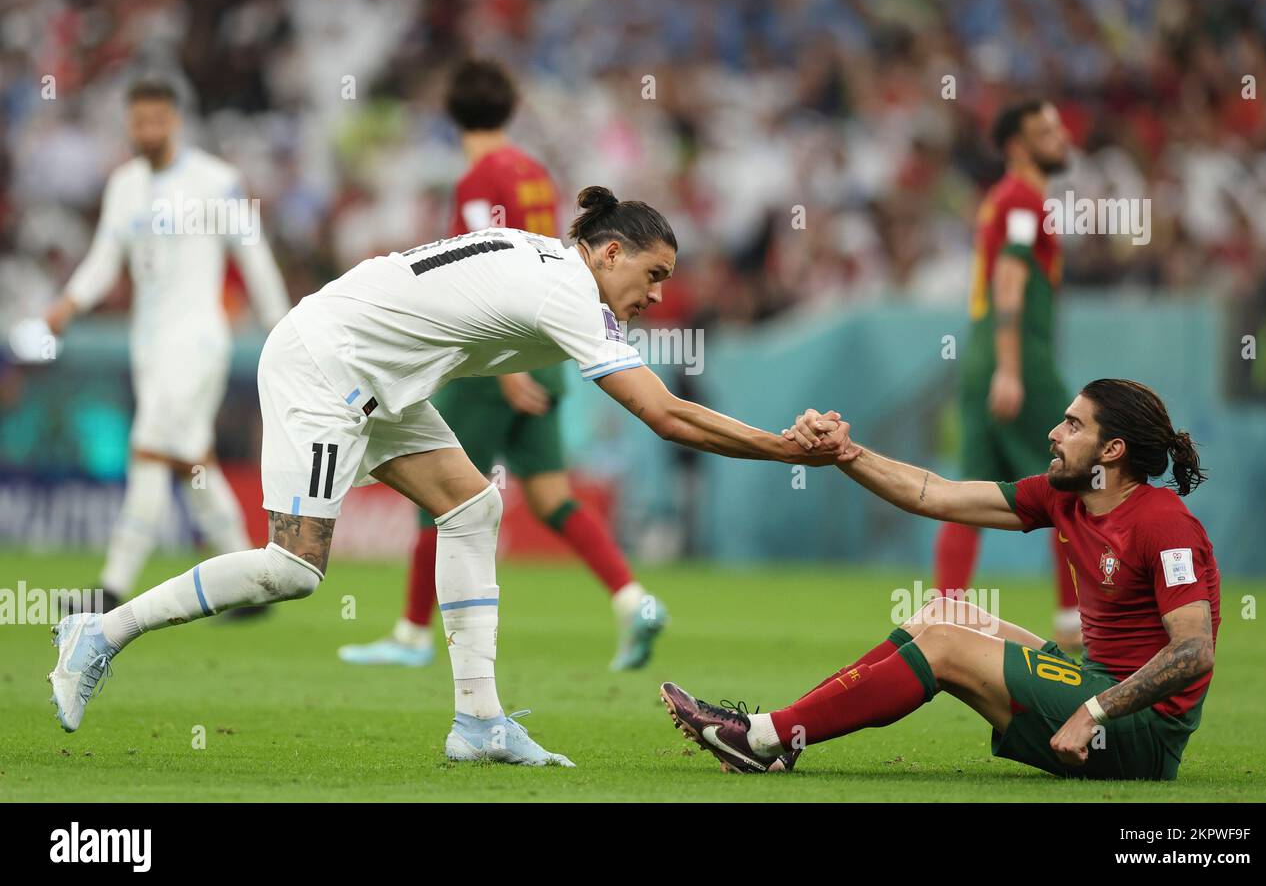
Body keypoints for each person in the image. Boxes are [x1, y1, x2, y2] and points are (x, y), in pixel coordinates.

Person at [48, 187, 852, 769]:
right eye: (653, 273)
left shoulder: (552, 265)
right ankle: (99, 632)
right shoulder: (568, 291)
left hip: (375, 373)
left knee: (472, 506)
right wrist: (787, 449)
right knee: (293, 567)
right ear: (610, 251)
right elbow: (667, 416)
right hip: (325, 367)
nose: (657, 294)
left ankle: (479, 721)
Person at [662, 379, 1219, 781]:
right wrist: (845, 454)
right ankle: (779, 737)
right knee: (944, 615)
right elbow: (938, 495)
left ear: (1112, 450)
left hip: (1138, 734)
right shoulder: (1065, 497)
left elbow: (1194, 650)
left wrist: (1092, 712)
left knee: (947, 645)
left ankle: (762, 738)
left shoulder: (1162, 523)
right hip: (1093, 689)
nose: (1054, 432)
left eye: (1073, 425)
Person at [339, 59, 667, 673]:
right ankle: (633, 599)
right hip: (550, 352)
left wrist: (506, 371)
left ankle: (411, 635)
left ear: (451, 114)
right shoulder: (534, 170)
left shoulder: (477, 179)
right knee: (551, 497)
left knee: (437, 490)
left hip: (502, 358)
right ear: (511, 111)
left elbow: (489, 275)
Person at [44, 78, 289, 617]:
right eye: (138, 122)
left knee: (150, 449)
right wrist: (68, 305)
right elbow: (105, 258)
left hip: (198, 340)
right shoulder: (125, 185)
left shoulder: (215, 181)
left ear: (175, 120)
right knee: (191, 462)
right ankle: (253, 582)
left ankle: (110, 588)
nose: (147, 130)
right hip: (148, 346)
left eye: (156, 120)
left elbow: (254, 257)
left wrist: (282, 326)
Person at [934, 100, 1081, 650]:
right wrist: (1013, 370)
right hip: (1016, 358)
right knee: (1079, 478)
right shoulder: (1022, 200)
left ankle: (941, 621)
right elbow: (1012, 275)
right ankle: (1075, 625)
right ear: (1018, 146)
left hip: (981, 359)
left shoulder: (1001, 201)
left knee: (964, 496)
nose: (1062, 136)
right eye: (1047, 130)